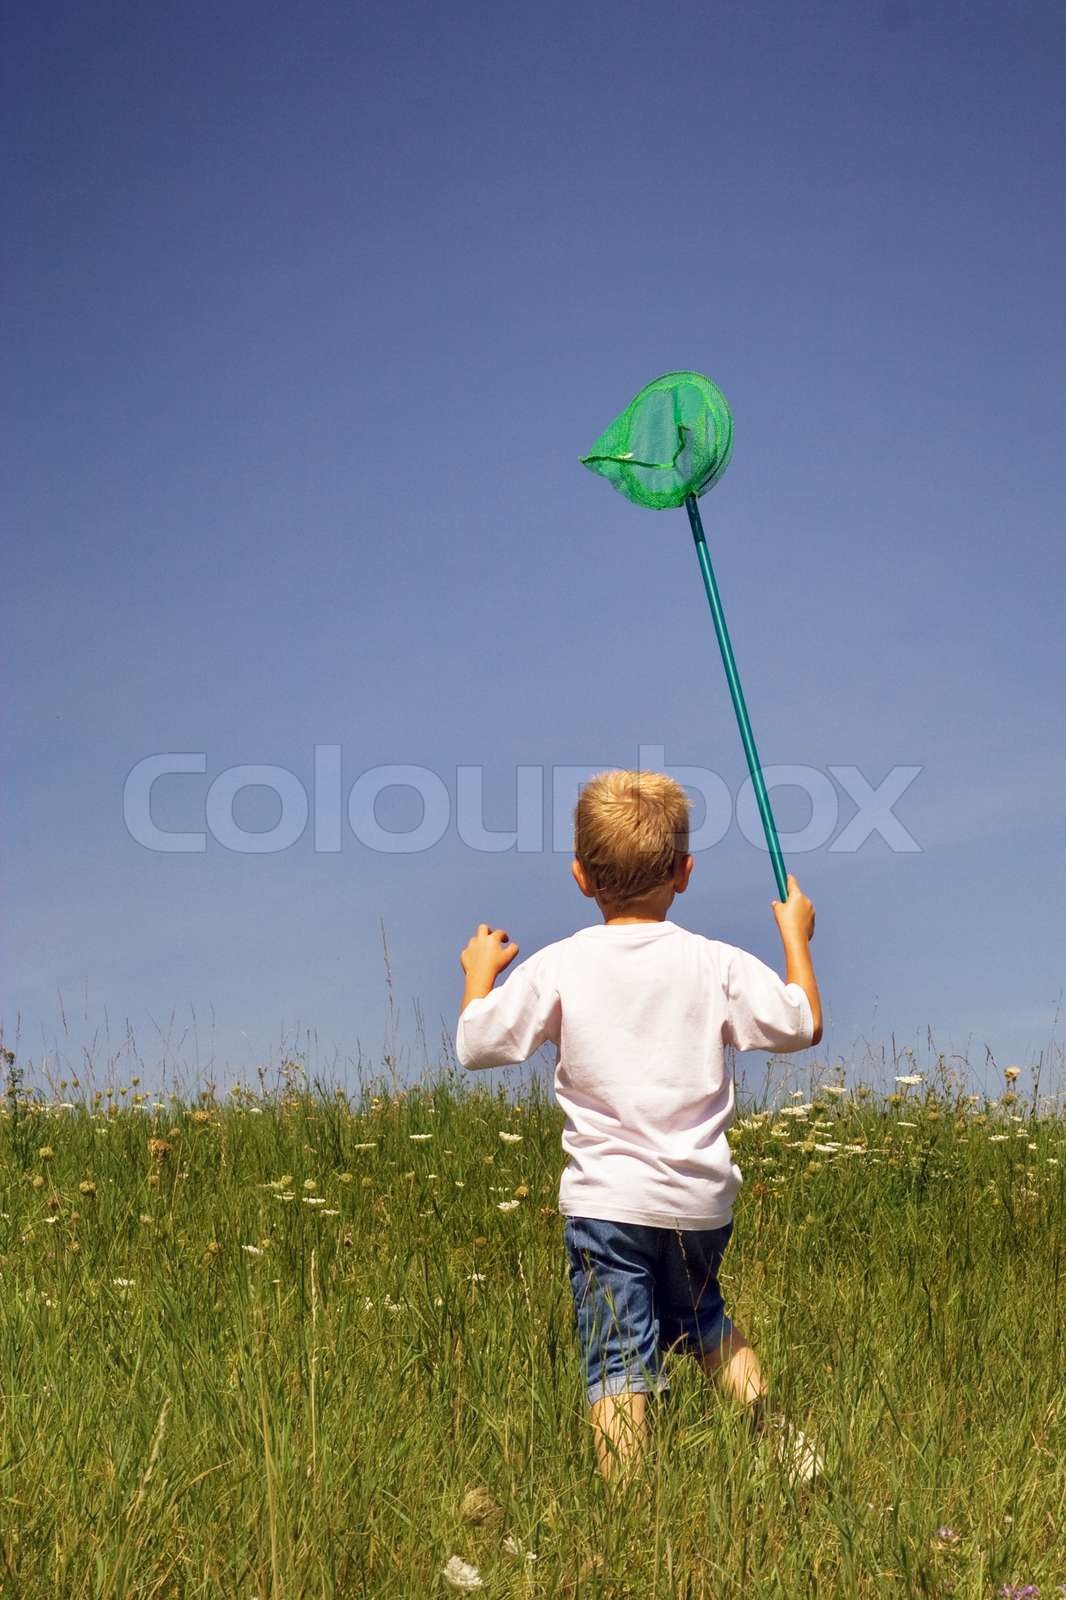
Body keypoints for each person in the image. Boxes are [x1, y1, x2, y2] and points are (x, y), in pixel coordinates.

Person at [455, 769, 823, 1487]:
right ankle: (782, 1442)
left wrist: (480, 973)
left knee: (618, 1358)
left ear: (580, 878)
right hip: (698, 1202)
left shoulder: (559, 966)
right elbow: (803, 1023)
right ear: (685, 873)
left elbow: (476, 1043)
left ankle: (631, 1518)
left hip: (608, 1203)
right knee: (703, 1321)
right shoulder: (713, 962)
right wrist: (796, 937)